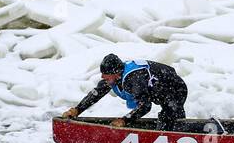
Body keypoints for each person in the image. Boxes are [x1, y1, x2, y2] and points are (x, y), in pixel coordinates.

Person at [62, 54, 190, 130]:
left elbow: (145, 106)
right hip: (158, 90)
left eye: (105, 74)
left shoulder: (134, 79)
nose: (102, 77)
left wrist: (124, 121)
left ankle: (181, 138)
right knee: (165, 120)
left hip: (175, 88)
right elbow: (96, 94)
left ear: (116, 73)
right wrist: (77, 110)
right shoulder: (113, 78)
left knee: (171, 117)